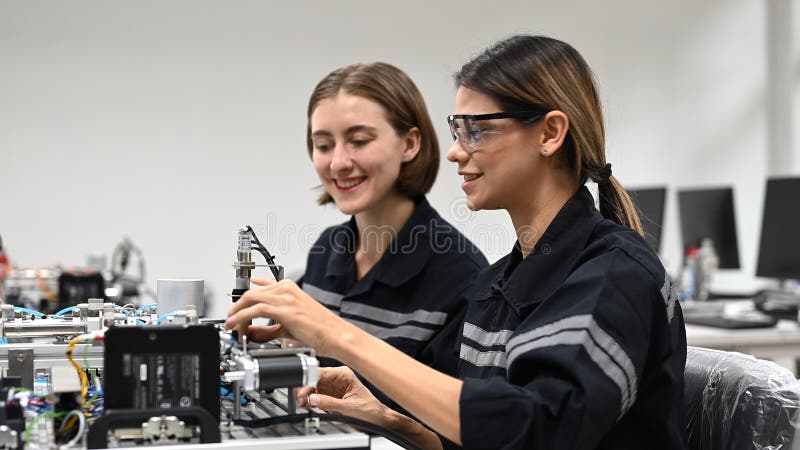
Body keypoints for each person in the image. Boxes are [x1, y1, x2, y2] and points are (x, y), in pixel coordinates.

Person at [227, 35, 687, 450]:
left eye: (477, 130)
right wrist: (392, 421)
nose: (454, 151)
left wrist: (338, 335)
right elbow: (480, 435)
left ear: (550, 133)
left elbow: (540, 431)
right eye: (457, 130)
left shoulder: (616, 274)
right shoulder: (496, 285)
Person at [295, 62, 487, 409]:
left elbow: (456, 422)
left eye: (358, 141)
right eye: (323, 145)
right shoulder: (326, 249)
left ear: (410, 144)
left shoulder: (461, 275)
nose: (337, 163)